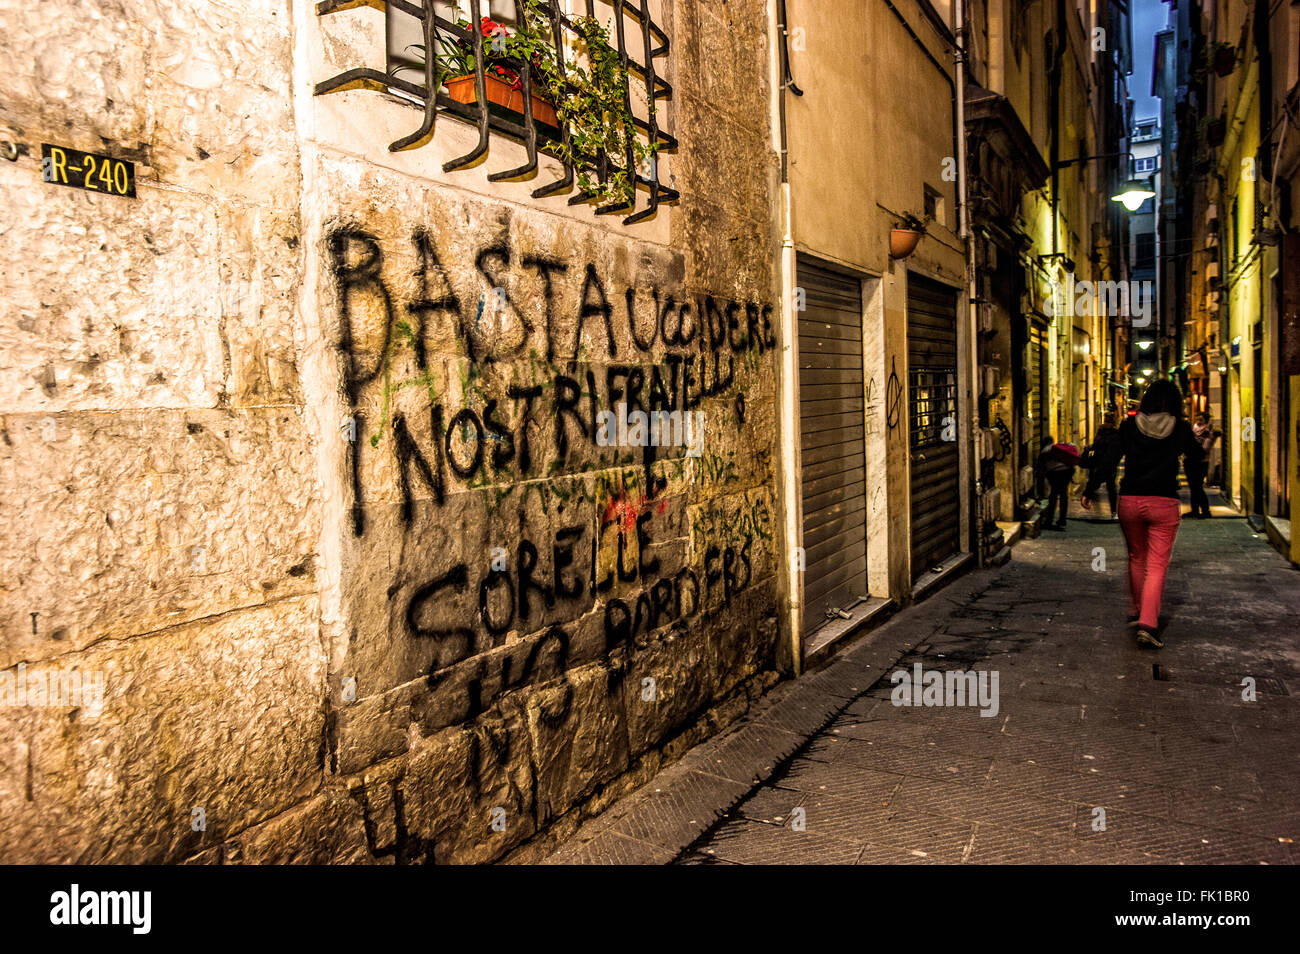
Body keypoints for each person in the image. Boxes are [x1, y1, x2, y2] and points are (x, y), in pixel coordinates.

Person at [1082, 379, 1200, 648]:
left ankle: (1136, 610)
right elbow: (1195, 455)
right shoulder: (1180, 428)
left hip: (1131, 501)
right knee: (1157, 565)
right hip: (1164, 502)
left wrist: (1090, 488)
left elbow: (1109, 459)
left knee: (1137, 557)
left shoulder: (1128, 426)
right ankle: (1148, 623)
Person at [1082, 413, 1122, 518]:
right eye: (1106, 420)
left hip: (1109, 465)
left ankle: (1113, 511)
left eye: (1108, 421)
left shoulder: (1116, 434)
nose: (1106, 423)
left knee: (1111, 488)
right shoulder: (1101, 431)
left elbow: (1116, 450)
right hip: (1098, 463)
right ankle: (1087, 499)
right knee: (1094, 483)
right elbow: (1096, 445)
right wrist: (1090, 448)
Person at [1038, 436, 1078, 530]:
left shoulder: (1045, 451)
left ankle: (1049, 520)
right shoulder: (1057, 448)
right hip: (1067, 471)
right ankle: (1062, 519)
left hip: (1055, 473)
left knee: (1053, 495)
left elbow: (1042, 467)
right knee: (1063, 495)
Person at [1187, 412, 1219, 518]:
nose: (1198, 422)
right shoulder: (1195, 428)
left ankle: (1205, 510)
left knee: (1197, 487)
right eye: (1197, 419)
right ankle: (1195, 510)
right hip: (1191, 460)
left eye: (1200, 420)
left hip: (1201, 462)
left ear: (1206, 420)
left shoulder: (1208, 431)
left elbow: (1205, 448)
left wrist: (1193, 448)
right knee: (1193, 487)